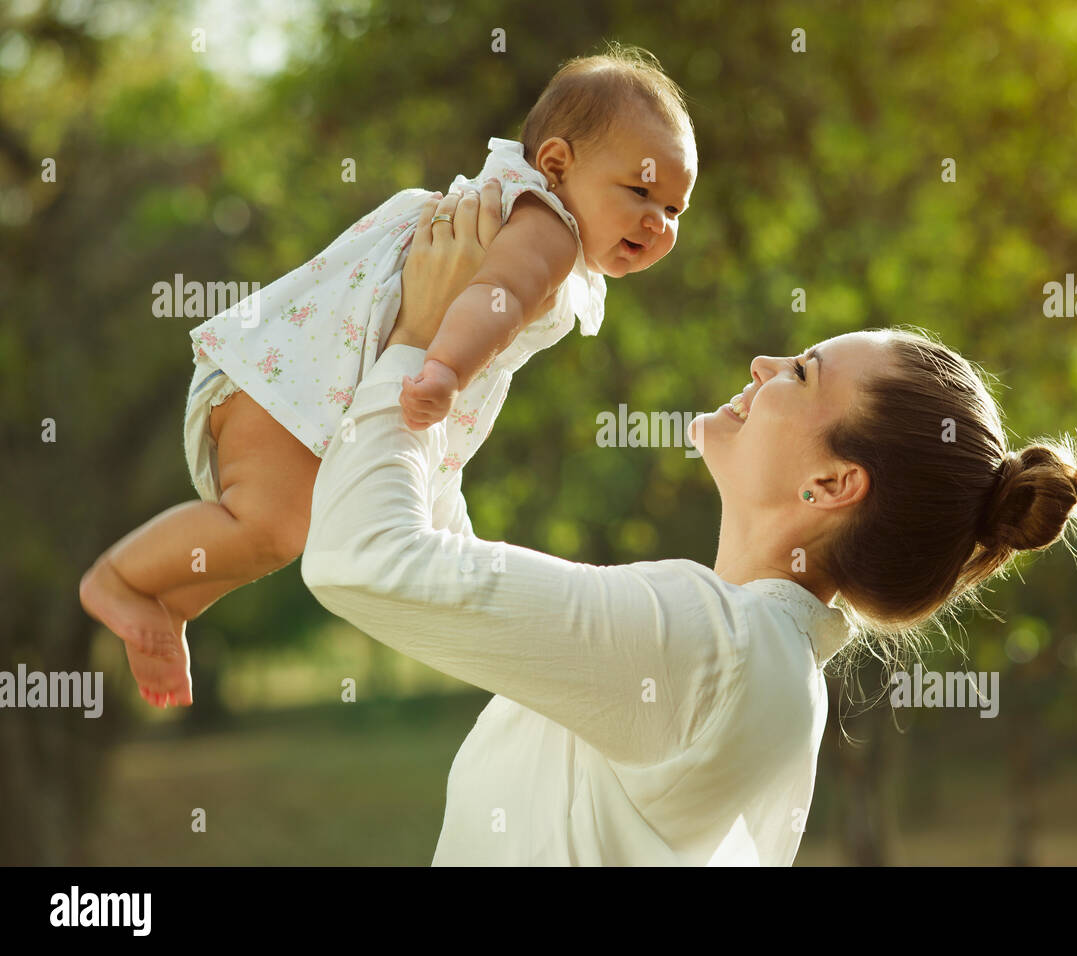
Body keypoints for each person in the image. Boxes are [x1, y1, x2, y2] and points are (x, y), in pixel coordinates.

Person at [301, 190, 1077, 866]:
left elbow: (364, 558)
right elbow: (450, 568)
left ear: (832, 482)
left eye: (802, 372)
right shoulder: (756, 659)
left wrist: (416, 342)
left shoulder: (716, 649)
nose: (763, 366)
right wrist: (476, 346)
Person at [78, 45, 696, 708]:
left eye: (674, 209)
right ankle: (118, 581)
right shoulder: (550, 230)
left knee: (274, 535)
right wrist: (444, 370)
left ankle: (172, 601)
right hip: (289, 385)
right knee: (267, 528)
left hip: (292, 381)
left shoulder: (526, 211)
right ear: (555, 163)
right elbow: (497, 298)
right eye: (639, 190)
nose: (656, 221)